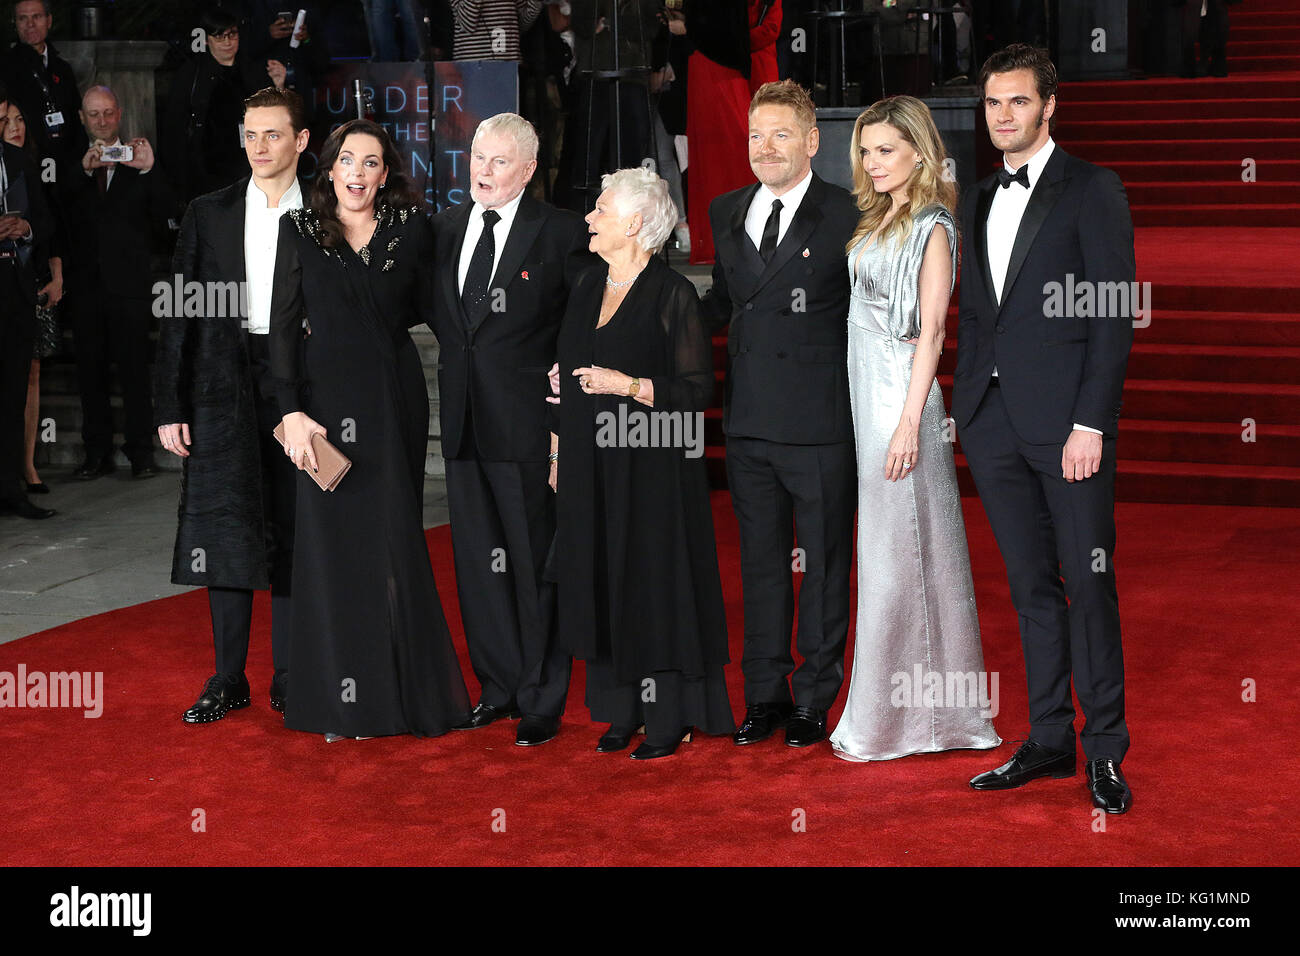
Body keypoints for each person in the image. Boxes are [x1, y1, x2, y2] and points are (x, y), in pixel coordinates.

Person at [954, 45, 1135, 813]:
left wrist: (1091, 421)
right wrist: (966, 408)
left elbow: (1112, 314)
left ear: (1049, 105)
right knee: (1030, 590)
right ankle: (1050, 738)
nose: (1004, 116)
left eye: (1019, 102)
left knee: (1087, 586)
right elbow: (980, 312)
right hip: (992, 423)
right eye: (993, 103)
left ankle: (1105, 752)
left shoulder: (1092, 189)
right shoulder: (979, 195)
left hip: (1068, 428)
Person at [271, 119, 470, 740]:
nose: (358, 173)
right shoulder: (299, 229)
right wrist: (291, 412)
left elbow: (439, 311)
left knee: (393, 541)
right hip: (322, 410)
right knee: (334, 553)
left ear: (387, 173)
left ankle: (403, 699)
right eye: (348, 160)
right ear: (328, 167)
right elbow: (282, 326)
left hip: (391, 400)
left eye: (373, 162)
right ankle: (342, 704)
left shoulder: (411, 229)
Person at [828, 95, 1000, 761]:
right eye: (865, 151)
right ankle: (904, 717)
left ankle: (913, 724)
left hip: (903, 403)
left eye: (886, 151)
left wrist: (906, 426)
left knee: (903, 562)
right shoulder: (881, 216)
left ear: (920, 153)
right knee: (886, 557)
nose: (871, 163)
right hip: (867, 397)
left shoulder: (930, 226)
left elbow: (932, 334)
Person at [551, 166, 734, 758]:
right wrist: (559, 440)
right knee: (602, 577)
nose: (589, 218)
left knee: (653, 585)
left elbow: (694, 391)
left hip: (652, 467)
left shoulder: (671, 293)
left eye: (600, 210)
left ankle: (668, 715)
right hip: (589, 461)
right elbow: (574, 371)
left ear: (634, 222)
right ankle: (619, 708)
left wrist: (628, 385)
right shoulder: (584, 285)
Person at [699, 79, 858, 749]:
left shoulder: (850, 213)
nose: (765, 147)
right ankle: (764, 694)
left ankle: (815, 700)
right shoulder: (725, 208)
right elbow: (716, 308)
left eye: (781, 134)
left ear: (813, 141)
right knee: (761, 565)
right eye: (756, 136)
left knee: (822, 565)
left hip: (820, 423)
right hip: (749, 419)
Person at [430, 113, 590, 746]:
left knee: (532, 564)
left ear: (528, 169)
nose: (484, 172)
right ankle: (497, 686)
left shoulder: (560, 232)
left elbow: (583, 316)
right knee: (477, 565)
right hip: (464, 424)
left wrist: (566, 390)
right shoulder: (441, 230)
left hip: (528, 428)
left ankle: (542, 696)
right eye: (477, 158)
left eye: (499, 162)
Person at [155, 87, 311, 724]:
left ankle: (292, 673)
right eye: (250, 134)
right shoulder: (209, 213)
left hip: (301, 385)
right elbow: (179, 313)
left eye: (272, 134)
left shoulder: (324, 213)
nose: (259, 147)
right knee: (224, 524)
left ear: (301, 141)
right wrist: (170, 402)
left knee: (297, 526)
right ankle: (227, 678)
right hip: (222, 383)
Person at [62, 86, 170, 481]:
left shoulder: (140, 159)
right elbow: (56, 214)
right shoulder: (73, 165)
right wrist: (82, 172)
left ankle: (141, 453)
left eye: (108, 113)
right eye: (94, 114)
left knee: (134, 375)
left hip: (130, 287)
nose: (102, 121)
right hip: (87, 287)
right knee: (90, 375)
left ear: (119, 114)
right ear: (82, 118)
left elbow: (166, 216)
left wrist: (147, 169)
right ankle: (96, 454)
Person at [681, 0, 782, 264]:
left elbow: (771, 28)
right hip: (727, 63)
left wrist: (739, 42)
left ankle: (756, 233)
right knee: (730, 150)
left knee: (748, 146)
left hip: (749, 67)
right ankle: (734, 237)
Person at [162, 6, 289, 204]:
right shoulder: (192, 75)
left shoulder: (253, 71)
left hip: (250, 166)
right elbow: (175, 127)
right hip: (206, 170)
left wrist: (280, 86)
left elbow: (276, 117)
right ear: (207, 40)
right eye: (220, 37)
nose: (228, 42)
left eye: (232, 35)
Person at [0, 79, 55, 520]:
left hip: (15, 290)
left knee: (13, 393)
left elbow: (46, 220)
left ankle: (11, 490)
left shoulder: (19, 159)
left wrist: (27, 230)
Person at [1, 1, 86, 180]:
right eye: (23, 18)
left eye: (36, 17)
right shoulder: (5, 68)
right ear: (15, 24)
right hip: (27, 164)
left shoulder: (63, 68)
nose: (30, 24)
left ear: (49, 21)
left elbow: (76, 116)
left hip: (65, 163)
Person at [451, 0, 543, 60]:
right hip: (472, 66)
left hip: (507, 64)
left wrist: (536, 3)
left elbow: (521, 24)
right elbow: (468, 24)